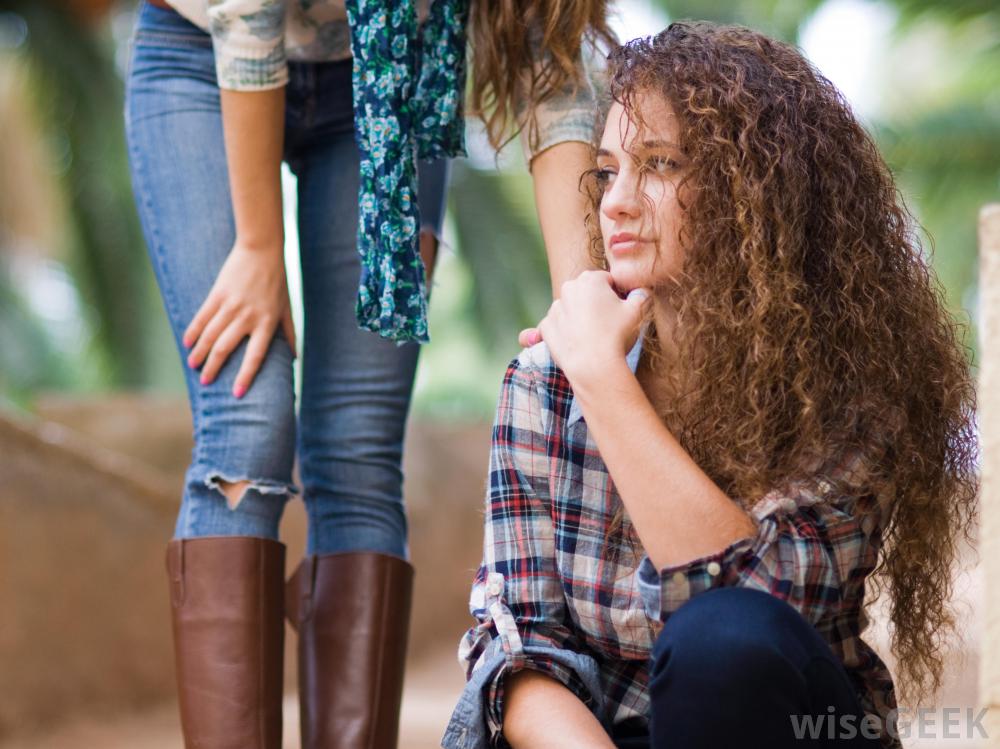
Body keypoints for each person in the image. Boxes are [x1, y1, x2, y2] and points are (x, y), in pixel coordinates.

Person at [444, 21, 979, 749]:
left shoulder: (850, 395)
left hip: (783, 731)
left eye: (659, 165)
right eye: (607, 171)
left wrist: (607, 381)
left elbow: (756, 609)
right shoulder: (544, 384)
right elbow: (517, 647)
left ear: (754, 187)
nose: (616, 202)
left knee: (722, 639)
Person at [123, 0, 616, 747]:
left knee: (357, 454)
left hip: (389, 88)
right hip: (201, 52)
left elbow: (551, 59)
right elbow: (247, 11)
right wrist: (259, 246)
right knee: (247, 426)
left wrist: (584, 310)